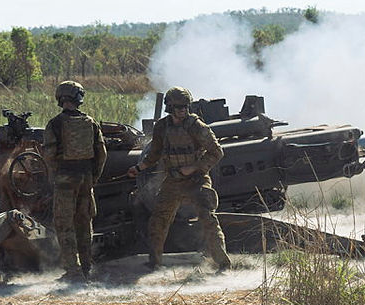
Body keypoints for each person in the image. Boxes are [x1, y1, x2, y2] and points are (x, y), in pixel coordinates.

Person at [128, 86, 231, 271]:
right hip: (173, 181)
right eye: (178, 106)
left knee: (208, 219)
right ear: (170, 107)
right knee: (158, 221)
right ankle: (155, 262)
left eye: (185, 106)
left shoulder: (196, 126)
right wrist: (139, 167)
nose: (182, 110)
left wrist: (194, 167)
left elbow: (216, 152)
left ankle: (223, 264)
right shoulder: (162, 127)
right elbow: (154, 153)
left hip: (197, 180)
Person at [43, 80, 107, 280]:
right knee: (84, 221)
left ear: (60, 98)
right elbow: (102, 153)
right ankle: (87, 266)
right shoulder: (91, 122)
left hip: (64, 179)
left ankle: (73, 269)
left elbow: (49, 155)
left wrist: (55, 175)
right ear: (79, 98)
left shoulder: (55, 124)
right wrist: (93, 176)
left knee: (64, 224)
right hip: (86, 177)